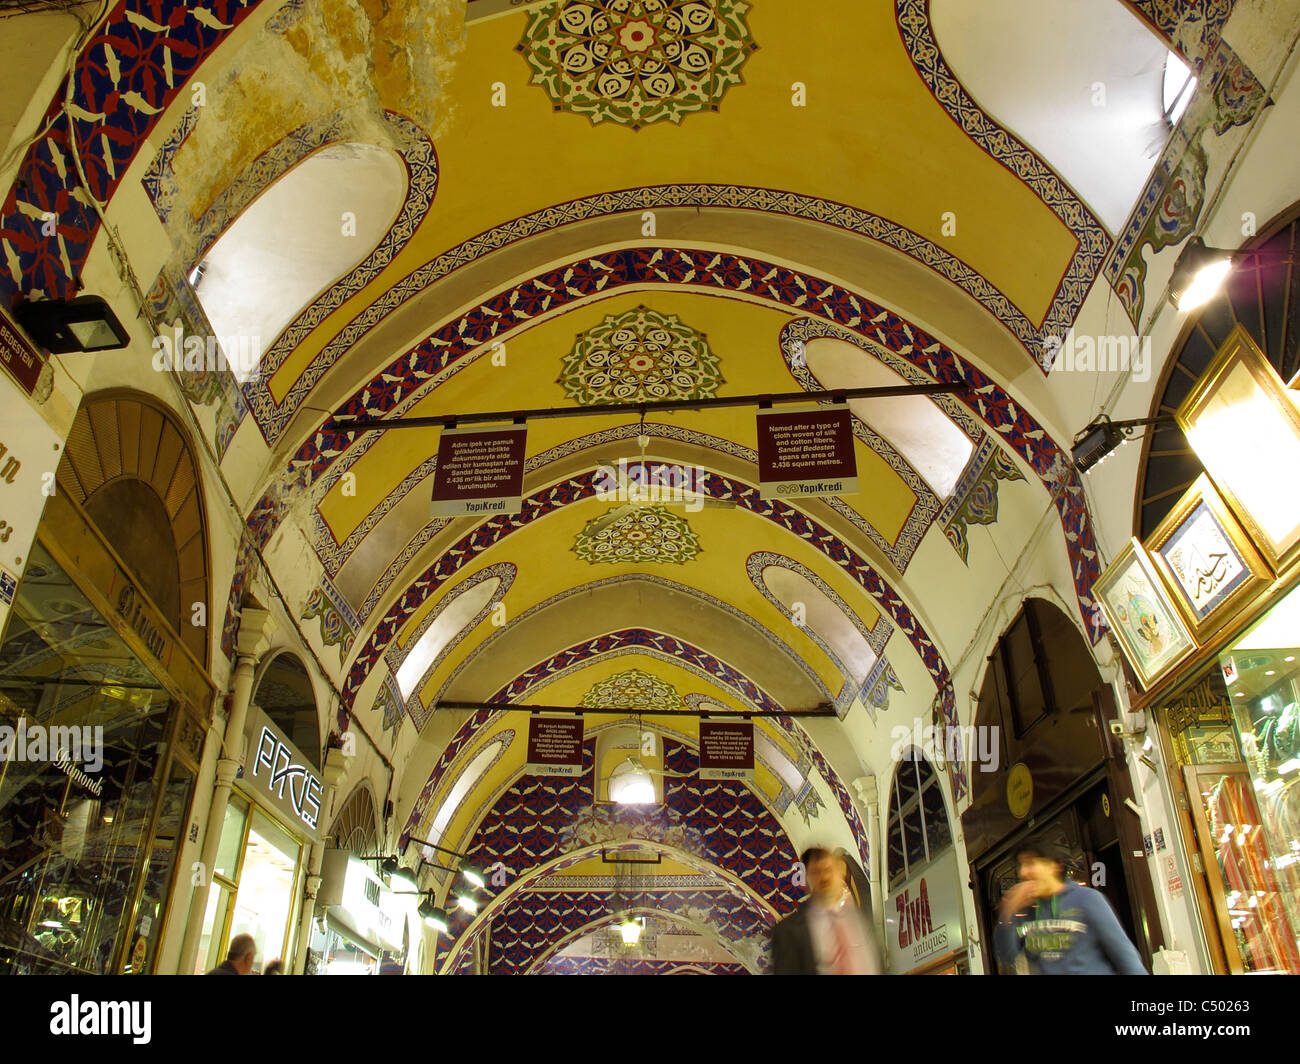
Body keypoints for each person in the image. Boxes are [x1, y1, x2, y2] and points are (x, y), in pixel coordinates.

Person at [994, 843, 1147, 975]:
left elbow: (1126, 957)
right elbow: (1006, 956)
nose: (1023, 872)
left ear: (1052, 866)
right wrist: (1008, 913)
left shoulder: (1087, 899)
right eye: (1021, 866)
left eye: (1030, 863)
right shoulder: (1026, 911)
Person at [771, 846, 882, 974]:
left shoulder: (862, 919)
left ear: (839, 872)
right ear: (807, 880)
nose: (824, 876)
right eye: (816, 872)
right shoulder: (789, 932)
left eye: (828, 869)